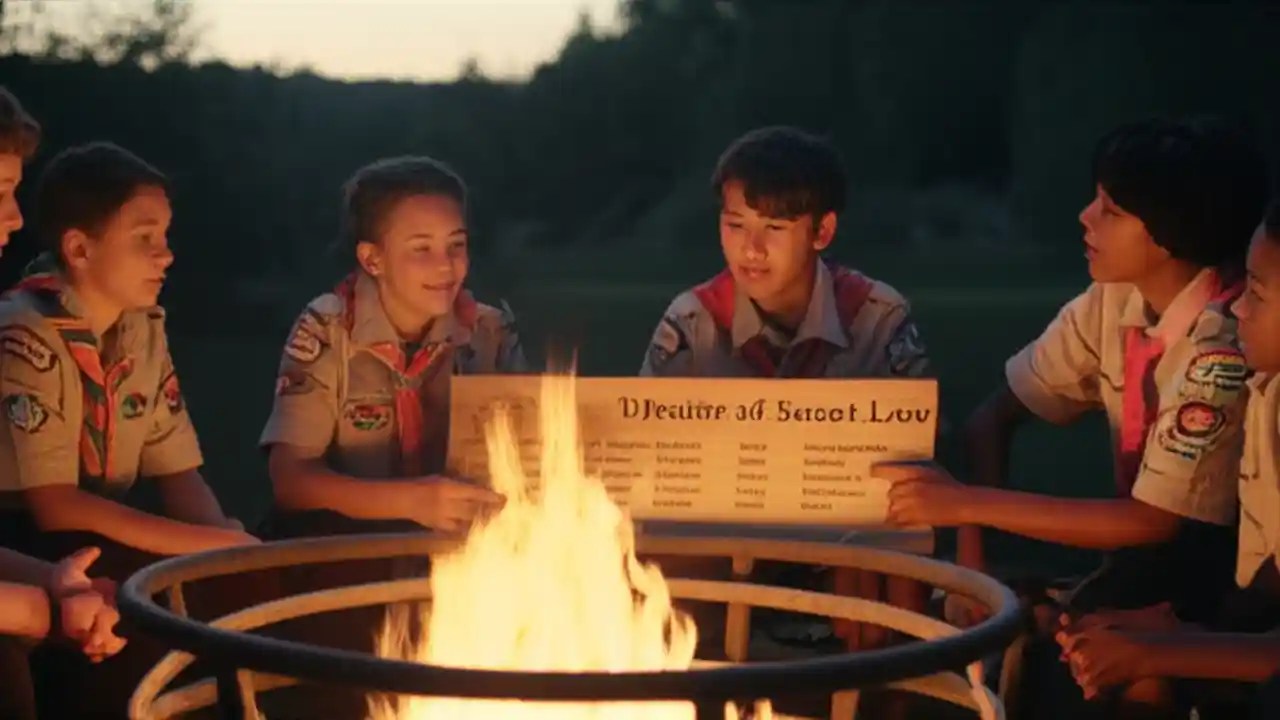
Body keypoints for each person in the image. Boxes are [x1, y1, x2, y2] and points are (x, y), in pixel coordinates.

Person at [875, 116, 1269, 718]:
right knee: (1039, 631)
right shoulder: (1113, 300)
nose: (1086, 217)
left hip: (1226, 575)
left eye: (1111, 210)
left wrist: (964, 504)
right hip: (1144, 564)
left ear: (1167, 233)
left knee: (1112, 664)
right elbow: (994, 418)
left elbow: (1155, 522)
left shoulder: (1223, 338)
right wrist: (975, 574)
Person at [637, 125, 933, 676]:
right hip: (720, 540)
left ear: (822, 231)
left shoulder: (877, 316)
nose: (751, 248)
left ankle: (884, 703)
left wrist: (857, 544)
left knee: (897, 576)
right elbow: (647, 463)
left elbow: (918, 463)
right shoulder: (693, 322)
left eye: (774, 227)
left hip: (845, 538)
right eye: (734, 225)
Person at [0, 141, 259, 718]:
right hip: (29, 536)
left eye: (165, 237)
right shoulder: (25, 334)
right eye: (145, 239)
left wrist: (228, 547)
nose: (165, 255)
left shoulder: (141, 331)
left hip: (107, 528)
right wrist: (204, 546)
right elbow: (55, 507)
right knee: (142, 609)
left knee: (245, 592)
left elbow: (178, 470)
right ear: (79, 248)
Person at [258, 155, 517, 718]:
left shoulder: (488, 332)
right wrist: (412, 500)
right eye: (420, 248)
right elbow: (290, 481)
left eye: (457, 244)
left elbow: (528, 457)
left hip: (457, 553)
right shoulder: (327, 329)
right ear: (371, 259)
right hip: (342, 555)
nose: (446, 266)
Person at [1056, 198, 1280, 720]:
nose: (1239, 307)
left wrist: (1158, 650)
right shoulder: (1270, 394)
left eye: (1261, 293)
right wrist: (1180, 630)